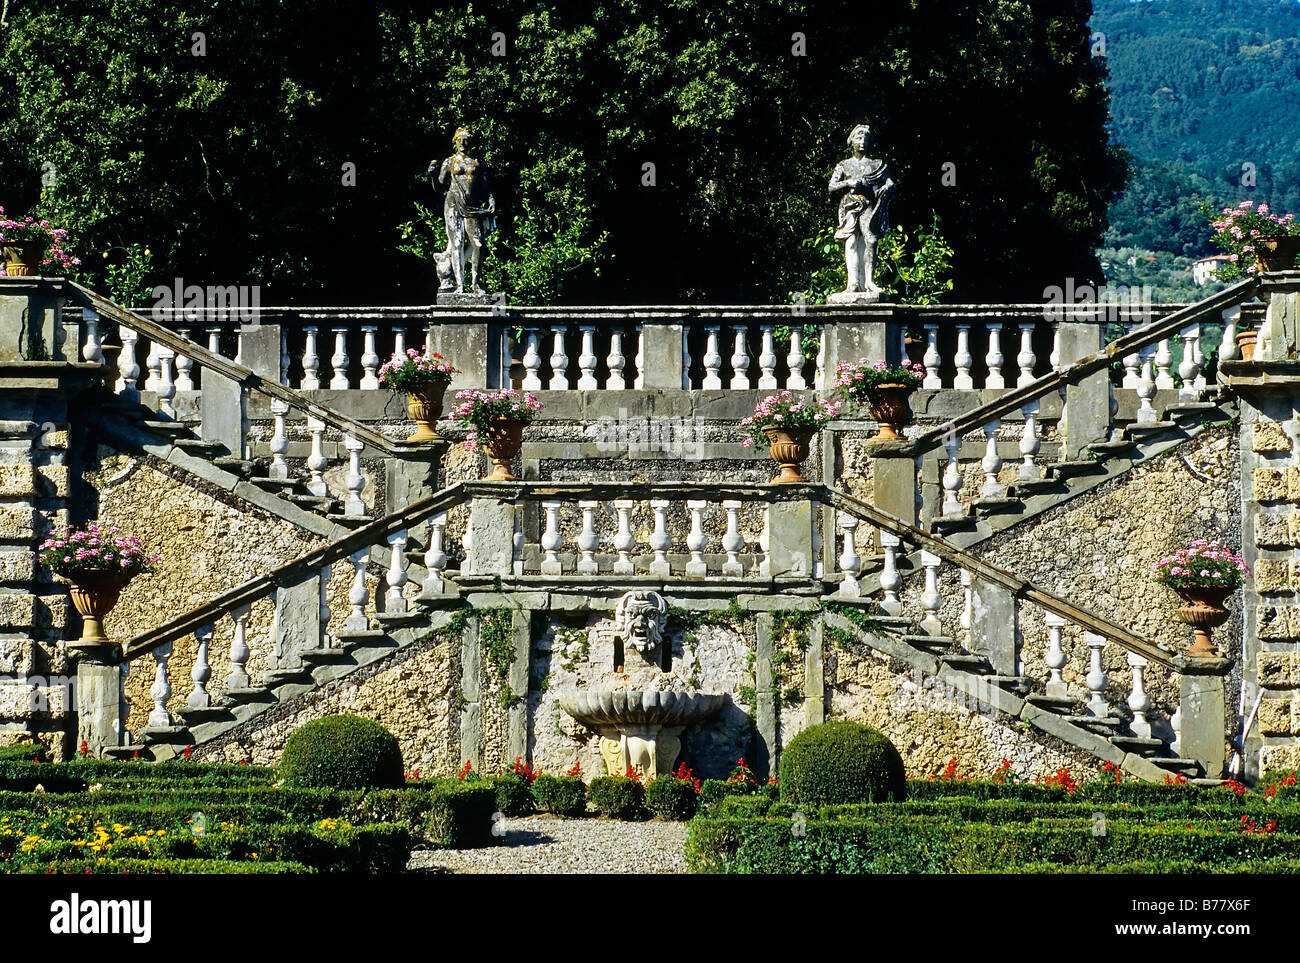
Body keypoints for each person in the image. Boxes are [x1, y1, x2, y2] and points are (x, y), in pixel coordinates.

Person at [828, 124, 895, 302]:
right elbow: (832, 186)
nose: (862, 141)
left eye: (866, 138)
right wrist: (848, 183)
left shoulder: (877, 164)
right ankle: (852, 283)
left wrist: (888, 186)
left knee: (871, 241)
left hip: (868, 205)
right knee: (850, 243)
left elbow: (890, 182)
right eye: (858, 138)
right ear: (851, 142)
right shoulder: (844, 165)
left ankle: (870, 282)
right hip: (850, 205)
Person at [429, 126, 496, 294]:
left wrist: (491, 199)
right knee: (457, 243)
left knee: (478, 244)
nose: (463, 143)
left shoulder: (478, 162)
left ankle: (476, 284)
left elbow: (485, 186)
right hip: (453, 203)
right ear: (455, 142)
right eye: (460, 140)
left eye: (466, 140)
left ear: (470, 142)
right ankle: (460, 286)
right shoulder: (450, 162)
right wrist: (432, 175)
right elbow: (439, 187)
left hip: (472, 205)